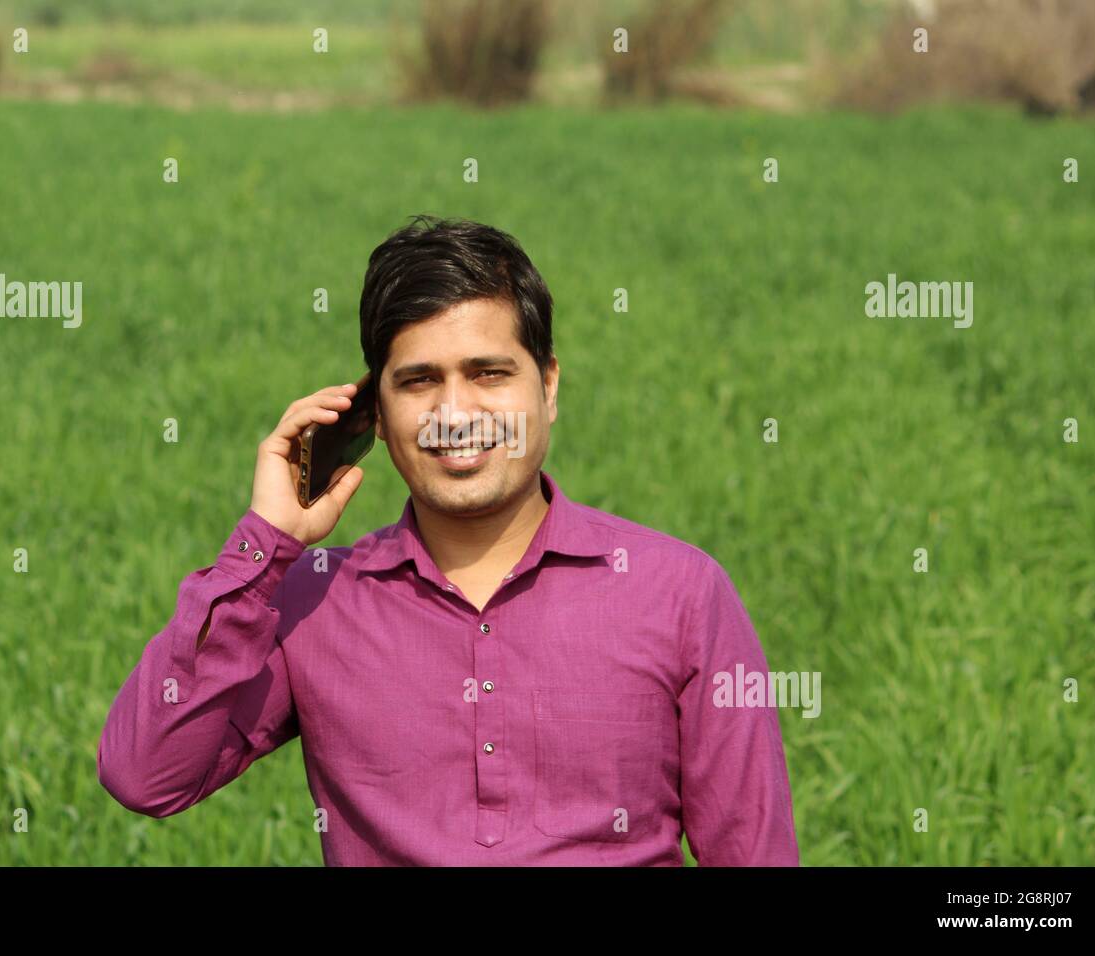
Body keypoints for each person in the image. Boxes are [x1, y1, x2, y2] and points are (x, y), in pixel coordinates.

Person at [96, 215, 800, 866]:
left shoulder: (677, 592)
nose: (455, 413)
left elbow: (754, 850)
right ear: (375, 411)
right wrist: (265, 542)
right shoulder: (312, 596)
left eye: (489, 374)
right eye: (419, 381)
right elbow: (145, 775)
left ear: (547, 385)